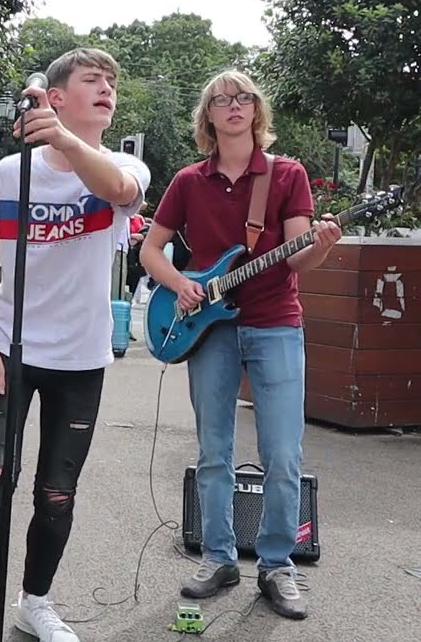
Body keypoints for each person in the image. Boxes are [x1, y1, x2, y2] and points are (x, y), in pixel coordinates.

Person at [0, 48, 150, 642]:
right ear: (56, 95)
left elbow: (116, 187)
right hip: (10, 349)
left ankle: (34, 603)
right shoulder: (10, 172)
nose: (107, 88)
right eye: (93, 79)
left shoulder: (125, 166)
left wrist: (62, 138)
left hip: (81, 358)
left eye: (112, 82)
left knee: (56, 494)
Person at [140, 70, 339, 621]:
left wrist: (322, 245)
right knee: (214, 451)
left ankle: (277, 564)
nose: (234, 105)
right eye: (222, 99)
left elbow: (299, 257)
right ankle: (219, 557)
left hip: (276, 322)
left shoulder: (286, 174)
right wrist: (180, 284)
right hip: (211, 328)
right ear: (208, 115)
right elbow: (150, 251)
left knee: (283, 453)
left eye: (244, 97)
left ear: (256, 110)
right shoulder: (188, 181)